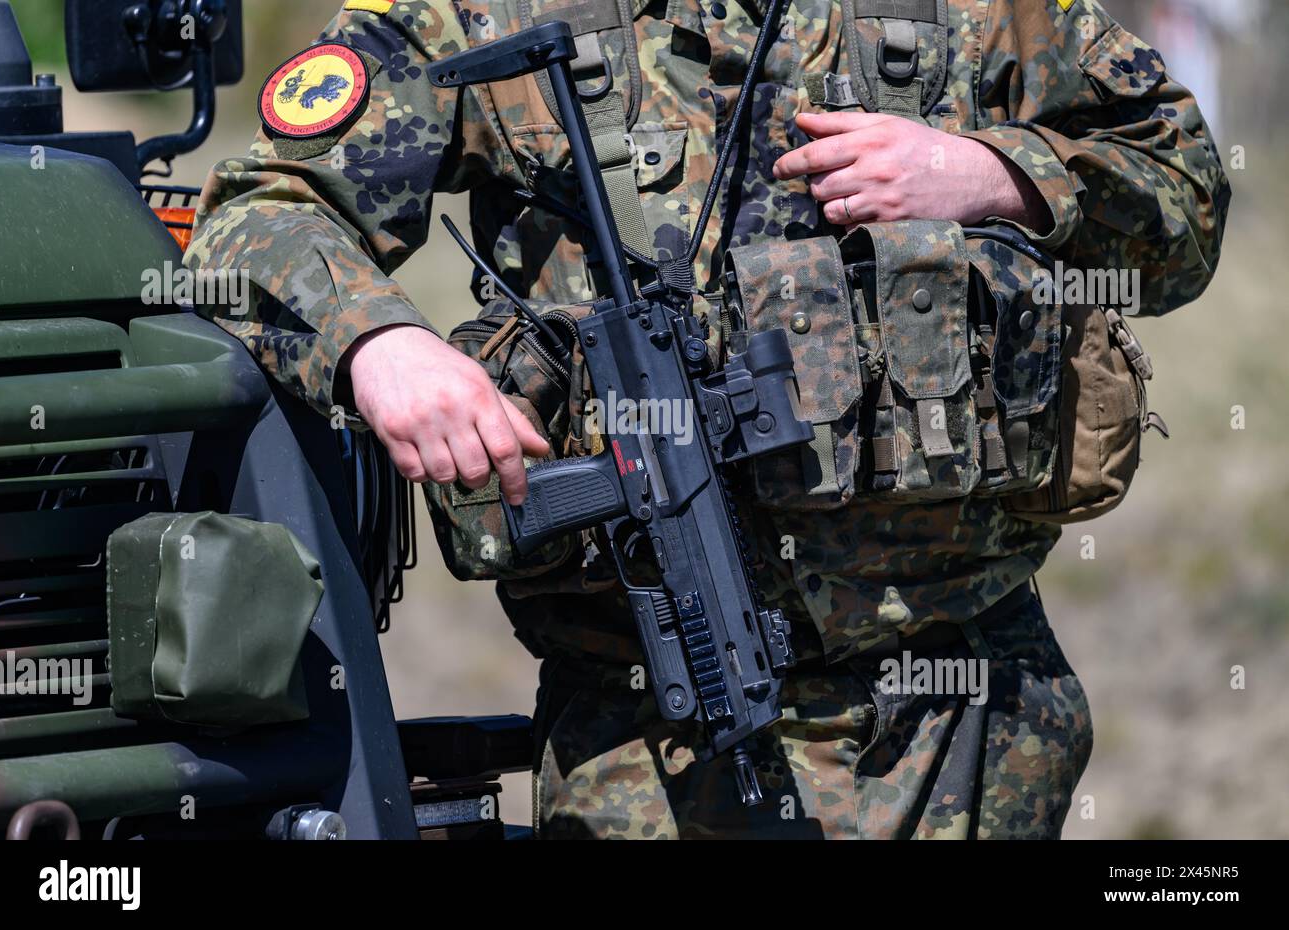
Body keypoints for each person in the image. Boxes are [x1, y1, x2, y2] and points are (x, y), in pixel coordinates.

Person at [186, 0, 1229, 838]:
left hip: (969, 717)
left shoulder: (983, 14)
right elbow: (255, 211)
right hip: (655, 735)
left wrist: (995, 174)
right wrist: (379, 344)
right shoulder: (477, 17)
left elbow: (1184, 189)